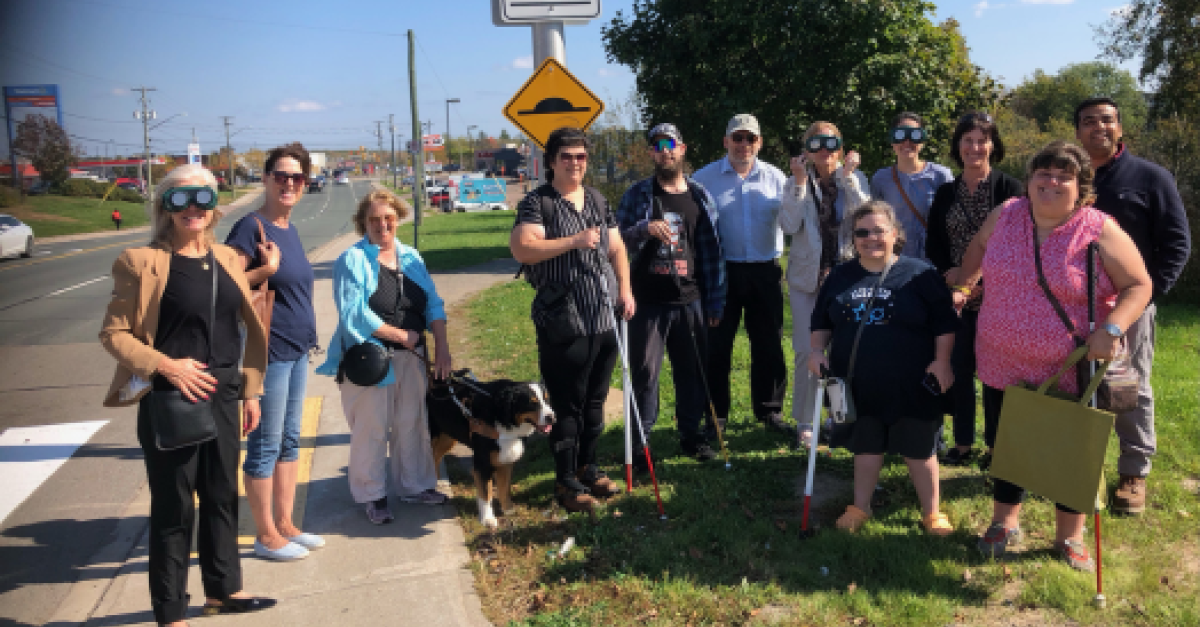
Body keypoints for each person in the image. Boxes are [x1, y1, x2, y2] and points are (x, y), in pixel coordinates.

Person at [956, 141, 1153, 571]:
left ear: (1082, 186)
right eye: (1043, 173)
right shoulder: (1005, 214)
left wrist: (1113, 328)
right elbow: (976, 252)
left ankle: (1070, 537)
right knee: (1006, 443)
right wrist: (965, 284)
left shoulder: (1098, 230)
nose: (1051, 182)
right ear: (1028, 181)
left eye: (1064, 175)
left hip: (1068, 364)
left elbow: (1139, 284)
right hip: (1001, 359)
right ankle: (1004, 523)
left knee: (1071, 449)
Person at [100, 164, 275, 626]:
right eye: (179, 199)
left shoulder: (228, 259)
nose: (192, 207)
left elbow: (238, 327)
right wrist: (165, 364)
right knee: (174, 508)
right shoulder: (140, 261)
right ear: (165, 206)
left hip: (223, 392)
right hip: (171, 397)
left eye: (201, 197)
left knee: (221, 495)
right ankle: (171, 610)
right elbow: (114, 334)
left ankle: (224, 590)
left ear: (214, 205)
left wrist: (251, 393)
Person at [808, 201, 959, 536]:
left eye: (878, 231)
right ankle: (859, 507)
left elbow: (944, 324)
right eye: (862, 232)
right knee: (866, 447)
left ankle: (932, 513)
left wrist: (942, 360)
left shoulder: (921, 274)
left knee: (920, 450)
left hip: (914, 381)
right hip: (858, 381)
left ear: (895, 234)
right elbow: (821, 321)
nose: (870, 238)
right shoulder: (839, 276)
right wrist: (816, 351)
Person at [1073, 97, 1192, 514]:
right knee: (1074, 385)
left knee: (1126, 388)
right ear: (1077, 132)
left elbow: (1176, 243)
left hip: (1127, 306)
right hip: (1069, 305)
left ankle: (1132, 472)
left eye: (1107, 120)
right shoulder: (1067, 177)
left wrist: (1145, 297)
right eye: (1089, 122)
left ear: (1120, 128)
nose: (1098, 128)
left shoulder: (1149, 177)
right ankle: (1069, 465)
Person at [509, 127, 634, 513]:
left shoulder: (597, 199)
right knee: (567, 405)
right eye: (567, 157)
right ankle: (564, 482)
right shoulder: (538, 203)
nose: (575, 163)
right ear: (551, 162)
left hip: (603, 317)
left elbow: (617, 248)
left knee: (595, 403)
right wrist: (574, 241)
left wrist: (625, 290)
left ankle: (588, 467)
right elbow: (522, 248)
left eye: (581, 157)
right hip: (563, 319)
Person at [316, 190, 452, 524]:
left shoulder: (411, 257)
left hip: (413, 358)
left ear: (398, 218)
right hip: (372, 360)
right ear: (363, 222)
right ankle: (372, 494)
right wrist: (401, 336)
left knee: (412, 422)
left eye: (388, 218)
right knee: (371, 428)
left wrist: (443, 346)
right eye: (374, 219)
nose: (382, 225)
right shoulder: (353, 259)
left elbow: (433, 302)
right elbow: (354, 314)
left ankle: (415, 485)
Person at [224, 143, 322, 561]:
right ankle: (265, 535)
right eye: (280, 176)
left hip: (296, 351)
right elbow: (225, 288)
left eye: (296, 177)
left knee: (289, 442)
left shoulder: (290, 229)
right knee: (265, 444)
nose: (288, 183)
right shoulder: (251, 228)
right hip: (268, 355)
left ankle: (286, 524)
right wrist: (263, 271)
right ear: (264, 179)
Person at [615, 122, 726, 466]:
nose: (664, 150)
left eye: (670, 143)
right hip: (646, 301)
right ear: (651, 152)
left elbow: (712, 253)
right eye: (657, 145)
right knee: (645, 374)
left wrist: (715, 300)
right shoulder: (637, 195)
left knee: (691, 371)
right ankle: (640, 442)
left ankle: (691, 437)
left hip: (691, 299)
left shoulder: (700, 196)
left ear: (682, 148)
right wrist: (643, 229)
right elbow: (615, 244)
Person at [926, 112, 1024, 467]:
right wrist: (952, 274)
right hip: (955, 295)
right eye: (967, 139)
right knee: (960, 367)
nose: (974, 147)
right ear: (958, 146)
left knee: (998, 374)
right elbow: (934, 243)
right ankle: (963, 442)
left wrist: (985, 282)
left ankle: (998, 447)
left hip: (999, 296)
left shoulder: (1011, 190)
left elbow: (1020, 244)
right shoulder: (946, 192)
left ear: (993, 146)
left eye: (982, 140)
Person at [691, 114, 791, 436]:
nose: (744, 144)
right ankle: (715, 415)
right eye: (738, 138)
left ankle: (770, 411)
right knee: (717, 346)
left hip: (766, 271)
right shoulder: (703, 179)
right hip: (722, 273)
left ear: (759, 142)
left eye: (750, 138)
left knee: (769, 344)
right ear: (726, 141)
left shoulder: (778, 178)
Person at [779, 121, 869, 447]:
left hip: (845, 277)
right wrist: (800, 184)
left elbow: (865, 218)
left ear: (840, 148)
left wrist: (849, 178)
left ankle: (838, 417)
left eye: (831, 144)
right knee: (807, 351)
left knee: (842, 350)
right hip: (806, 279)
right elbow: (788, 224)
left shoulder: (853, 180)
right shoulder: (794, 182)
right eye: (816, 144)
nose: (824, 151)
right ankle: (805, 421)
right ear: (807, 150)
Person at [869, 112, 954, 259]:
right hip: (894, 260)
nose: (907, 142)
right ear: (892, 140)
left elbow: (953, 222)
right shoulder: (880, 179)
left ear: (923, 140)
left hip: (932, 260)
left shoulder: (941, 176)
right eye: (900, 135)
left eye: (914, 135)